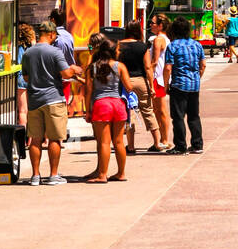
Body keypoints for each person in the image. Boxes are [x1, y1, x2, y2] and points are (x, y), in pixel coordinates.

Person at [20, 20, 83, 186]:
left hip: (34, 100)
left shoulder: (28, 53)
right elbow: (65, 73)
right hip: (54, 99)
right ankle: (53, 175)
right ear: (51, 34)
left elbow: (26, 77)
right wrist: (75, 69)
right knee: (54, 139)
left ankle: (35, 176)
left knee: (35, 139)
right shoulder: (55, 52)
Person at [83, 36, 132, 182]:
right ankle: (121, 173)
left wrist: (88, 111)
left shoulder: (92, 67)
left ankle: (102, 175)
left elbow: (88, 91)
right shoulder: (120, 66)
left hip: (101, 105)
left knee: (104, 142)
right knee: (119, 142)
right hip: (118, 104)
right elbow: (129, 87)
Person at [118, 20, 164, 154]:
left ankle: (131, 146)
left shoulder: (119, 45)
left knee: (129, 113)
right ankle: (157, 143)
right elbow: (148, 67)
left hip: (125, 81)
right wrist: (151, 86)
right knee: (148, 111)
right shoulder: (142, 46)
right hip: (141, 81)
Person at [164, 17, 206, 153]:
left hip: (179, 84)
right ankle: (197, 144)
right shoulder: (197, 45)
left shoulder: (173, 46)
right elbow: (203, 65)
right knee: (194, 116)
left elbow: (168, 68)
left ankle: (180, 146)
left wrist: (166, 85)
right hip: (194, 85)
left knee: (178, 117)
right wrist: (197, 78)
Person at [150, 14, 172, 146]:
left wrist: (148, 74)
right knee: (158, 110)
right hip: (160, 78)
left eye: (152, 23)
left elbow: (154, 61)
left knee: (160, 110)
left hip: (157, 78)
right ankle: (163, 139)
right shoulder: (165, 39)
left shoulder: (158, 40)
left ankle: (164, 139)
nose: (150, 25)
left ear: (160, 25)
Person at [16, 22, 35, 131]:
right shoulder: (32, 48)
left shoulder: (18, 48)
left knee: (23, 110)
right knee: (32, 109)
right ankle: (31, 139)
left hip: (20, 78)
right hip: (32, 78)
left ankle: (22, 139)